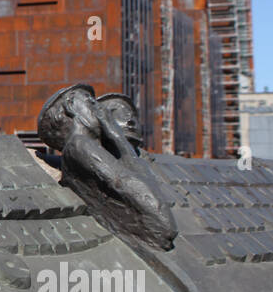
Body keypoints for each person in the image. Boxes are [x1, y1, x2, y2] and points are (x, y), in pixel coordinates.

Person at [38, 83, 176, 251]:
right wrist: (115, 134)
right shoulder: (79, 144)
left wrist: (116, 136)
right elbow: (133, 189)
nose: (99, 108)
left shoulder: (87, 145)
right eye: (89, 101)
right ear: (71, 106)